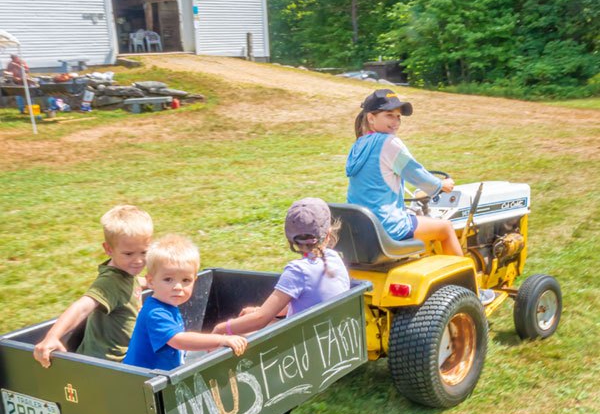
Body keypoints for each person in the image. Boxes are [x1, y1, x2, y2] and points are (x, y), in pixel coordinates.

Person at [346, 89, 463, 257]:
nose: (396, 122)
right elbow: (415, 173)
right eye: (389, 115)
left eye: (398, 116)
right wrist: (441, 185)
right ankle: (465, 282)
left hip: (361, 226)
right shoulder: (389, 142)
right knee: (445, 228)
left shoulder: (358, 145)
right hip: (388, 226)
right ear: (371, 118)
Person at [33, 205, 154, 368]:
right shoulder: (109, 282)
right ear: (108, 249)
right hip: (108, 364)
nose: (138, 260)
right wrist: (53, 336)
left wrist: (151, 282)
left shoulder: (125, 273)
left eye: (144, 252)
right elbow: (82, 307)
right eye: (129, 254)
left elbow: (130, 285)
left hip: (125, 356)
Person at [212, 198, 350, 336]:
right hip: (330, 335)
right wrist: (257, 310)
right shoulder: (334, 259)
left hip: (303, 344)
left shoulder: (298, 271)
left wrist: (222, 329)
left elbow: (260, 320)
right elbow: (305, 300)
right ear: (328, 234)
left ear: (290, 239)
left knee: (235, 337)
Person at [123, 234, 247, 370]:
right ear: (151, 281)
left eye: (185, 280)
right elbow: (178, 340)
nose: (178, 287)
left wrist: (209, 344)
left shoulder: (167, 305)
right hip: (143, 382)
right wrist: (220, 340)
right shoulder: (156, 313)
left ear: (194, 281)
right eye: (168, 279)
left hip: (158, 376)